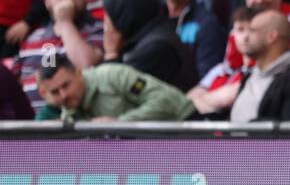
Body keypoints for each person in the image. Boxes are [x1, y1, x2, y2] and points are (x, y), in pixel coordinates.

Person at [13, 0, 104, 107]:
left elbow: (85, 66)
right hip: (31, 123)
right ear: (47, 1)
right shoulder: (33, 38)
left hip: (74, 123)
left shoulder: (99, 29)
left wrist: (65, 21)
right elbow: (14, 82)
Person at [38, 55, 196, 122]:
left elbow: (164, 100)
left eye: (66, 85)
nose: (64, 95)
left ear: (79, 74)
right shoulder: (69, 110)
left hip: (186, 127)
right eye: (55, 92)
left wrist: (119, 124)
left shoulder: (113, 75)